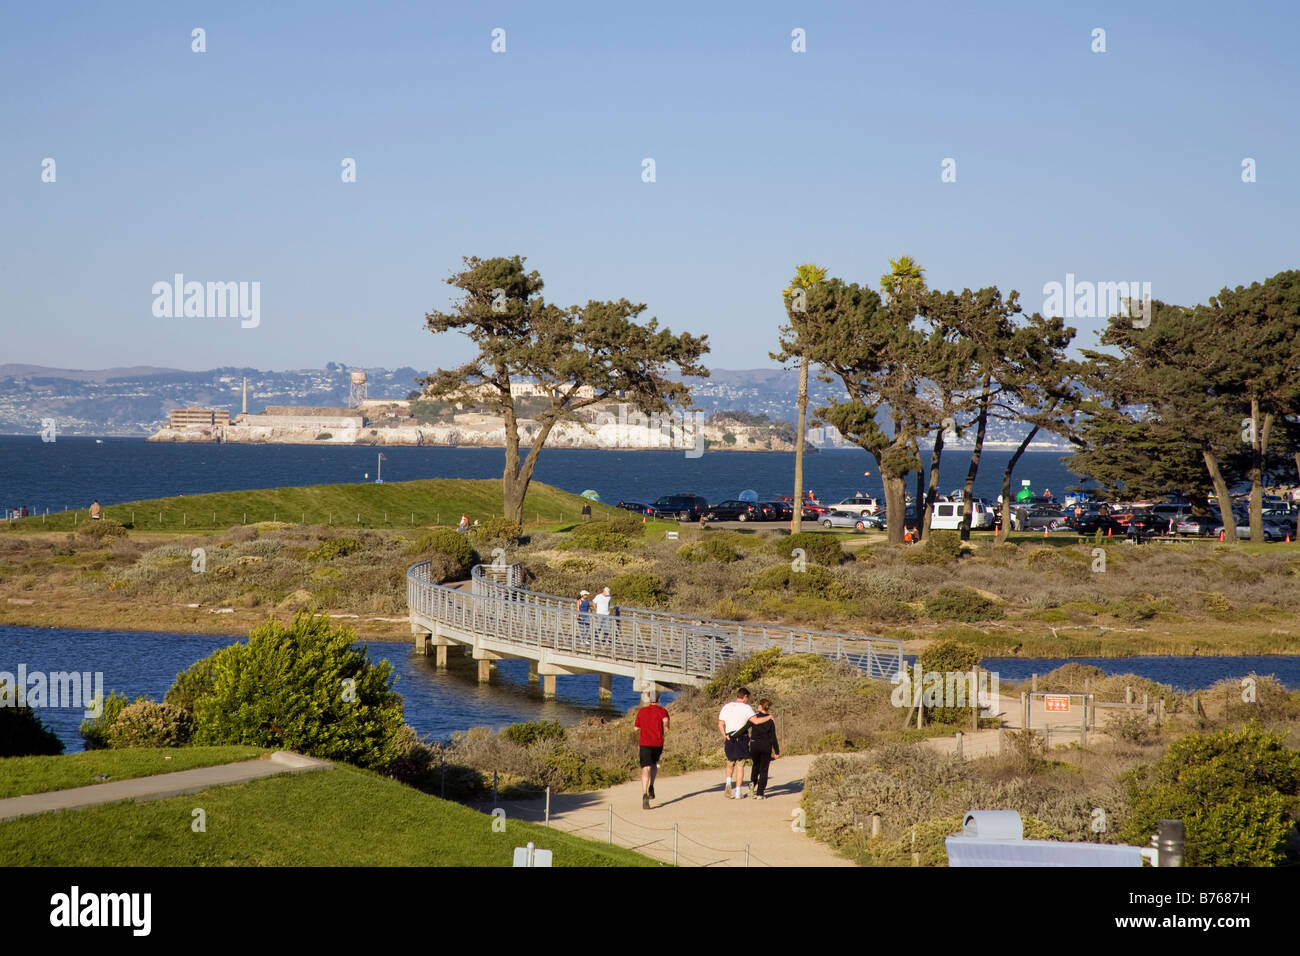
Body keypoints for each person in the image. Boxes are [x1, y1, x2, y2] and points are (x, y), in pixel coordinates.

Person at [634, 690, 670, 809]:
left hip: (645, 743)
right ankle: (652, 786)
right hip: (658, 743)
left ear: (649, 699)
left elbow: (635, 728)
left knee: (645, 767)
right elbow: (666, 724)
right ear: (659, 699)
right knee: (654, 764)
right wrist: (665, 727)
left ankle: (644, 794)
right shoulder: (663, 711)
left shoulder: (642, 711)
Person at [718, 688, 757, 799]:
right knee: (740, 764)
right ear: (744, 696)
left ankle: (728, 783)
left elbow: (720, 724)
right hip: (742, 737)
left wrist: (724, 734)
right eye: (747, 698)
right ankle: (738, 790)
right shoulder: (746, 708)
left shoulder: (726, 706)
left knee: (730, 762)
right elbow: (754, 721)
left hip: (729, 736)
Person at [746, 699, 780, 799]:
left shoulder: (754, 718)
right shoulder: (770, 720)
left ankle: (752, 782)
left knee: (755, 765)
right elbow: (773, 737)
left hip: (754, 745)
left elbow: (745, 728)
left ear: (760, 706)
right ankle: (760, 793)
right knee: (764, 769)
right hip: (766, 746)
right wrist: (777, 751)